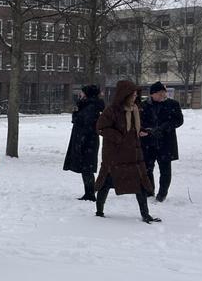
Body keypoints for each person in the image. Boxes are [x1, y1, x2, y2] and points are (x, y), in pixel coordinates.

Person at [94, 80, 160, 224]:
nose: (135, 96)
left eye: (136, 93)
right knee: (106, 183)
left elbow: (133, 129)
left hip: (133, 155)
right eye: (133, 93)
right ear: (125, 94)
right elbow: (100, 127)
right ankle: (99, 211)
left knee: (140, 185)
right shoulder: (111, 110)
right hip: (116, 156)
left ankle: (145, 214)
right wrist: (118, 137)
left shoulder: (136, 109)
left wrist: (141, 131)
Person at [140, 81, 183, 202]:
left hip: (166, 142)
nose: (162, 95)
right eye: (159, 93)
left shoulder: (173, 104)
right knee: (147, 169)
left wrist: (163, 128)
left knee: (165, 170)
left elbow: (178, 120)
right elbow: (139, 122)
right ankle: (149, 191)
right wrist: (143, 130)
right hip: (148, 142)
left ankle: (162, 194)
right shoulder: (144, 106)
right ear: (152, 94)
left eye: (163, 92)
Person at [63, 85, 105, 201]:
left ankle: (90, 193)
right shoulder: (86, 105)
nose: (80, 94)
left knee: (87, 167)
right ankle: (89, 192)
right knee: (86, 167)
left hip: (87, 141)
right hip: (86, 140)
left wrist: (76, 114)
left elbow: (84, 122)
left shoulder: (90, 106)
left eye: (82, 92)